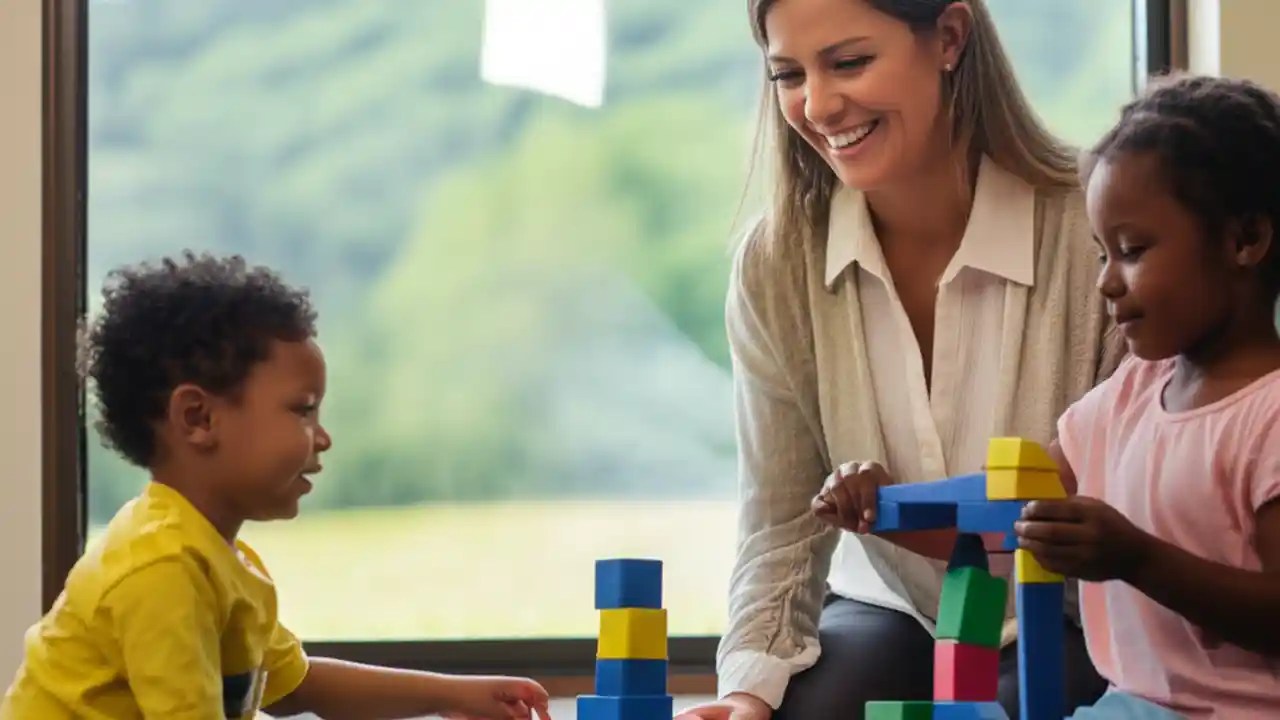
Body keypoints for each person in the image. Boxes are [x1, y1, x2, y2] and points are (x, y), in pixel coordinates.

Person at [676, 1, 1123, 719]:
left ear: (949, 38)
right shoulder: (775, 264)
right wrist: (745, 697)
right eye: (788, 74)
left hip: (1070, 611)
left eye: (849, 62)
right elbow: (781, 522)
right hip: (889, 604)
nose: (817, 105)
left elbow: (1138, 501)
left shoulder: (1097, 231)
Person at [0, 253, 553, 720]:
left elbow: (300, 684)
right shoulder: (160, 569)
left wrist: (456, 694)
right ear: (198, 418)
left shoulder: (217, 560)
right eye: (303, 411)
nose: (324, 437)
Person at [1014, 74, 1280, 720]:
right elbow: (1015, 504)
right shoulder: (1129, 392)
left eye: (1131, 250)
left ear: (1244, 239)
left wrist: (1137, 558)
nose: (1107, 283)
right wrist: (884, 503)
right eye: (1102, 254)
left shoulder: (1270, 415)